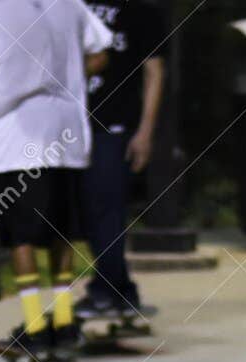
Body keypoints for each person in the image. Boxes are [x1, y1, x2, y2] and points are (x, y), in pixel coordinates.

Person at [0, 0, 113, 362]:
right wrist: (70, 75)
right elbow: (102, 51)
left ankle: (35, 326)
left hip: (18, 138)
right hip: (68, 132)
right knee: (61, 229)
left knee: (22, 235)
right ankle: (62, 323)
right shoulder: (71, 5)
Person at [76, 1, 167, 322]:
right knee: (86, 210)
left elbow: (154, 71)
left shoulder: (142, 8)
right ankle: (120, 289)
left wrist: (145, 131)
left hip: (116, 124)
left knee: (106, 205)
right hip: (72, 123)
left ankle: (107, 291)